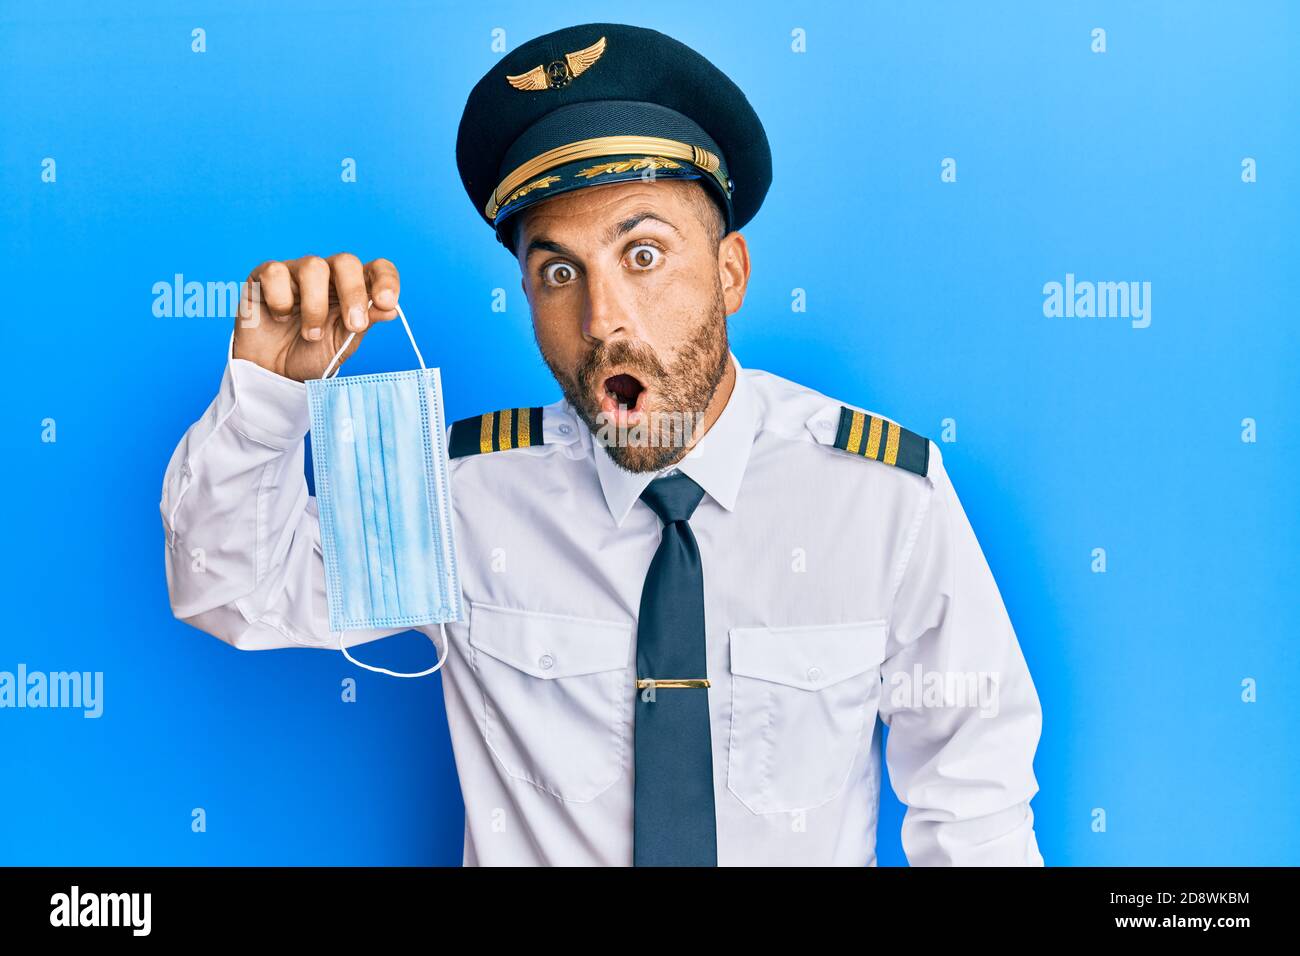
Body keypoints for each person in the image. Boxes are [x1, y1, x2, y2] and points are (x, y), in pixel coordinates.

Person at [160, 22, 1045, 866]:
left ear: (730, 272)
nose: (603, 319)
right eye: (557, 271)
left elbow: (974, 803)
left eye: (645, 255)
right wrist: (269, 398)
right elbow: (236, 589)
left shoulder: (882, 496)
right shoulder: (463, 497)